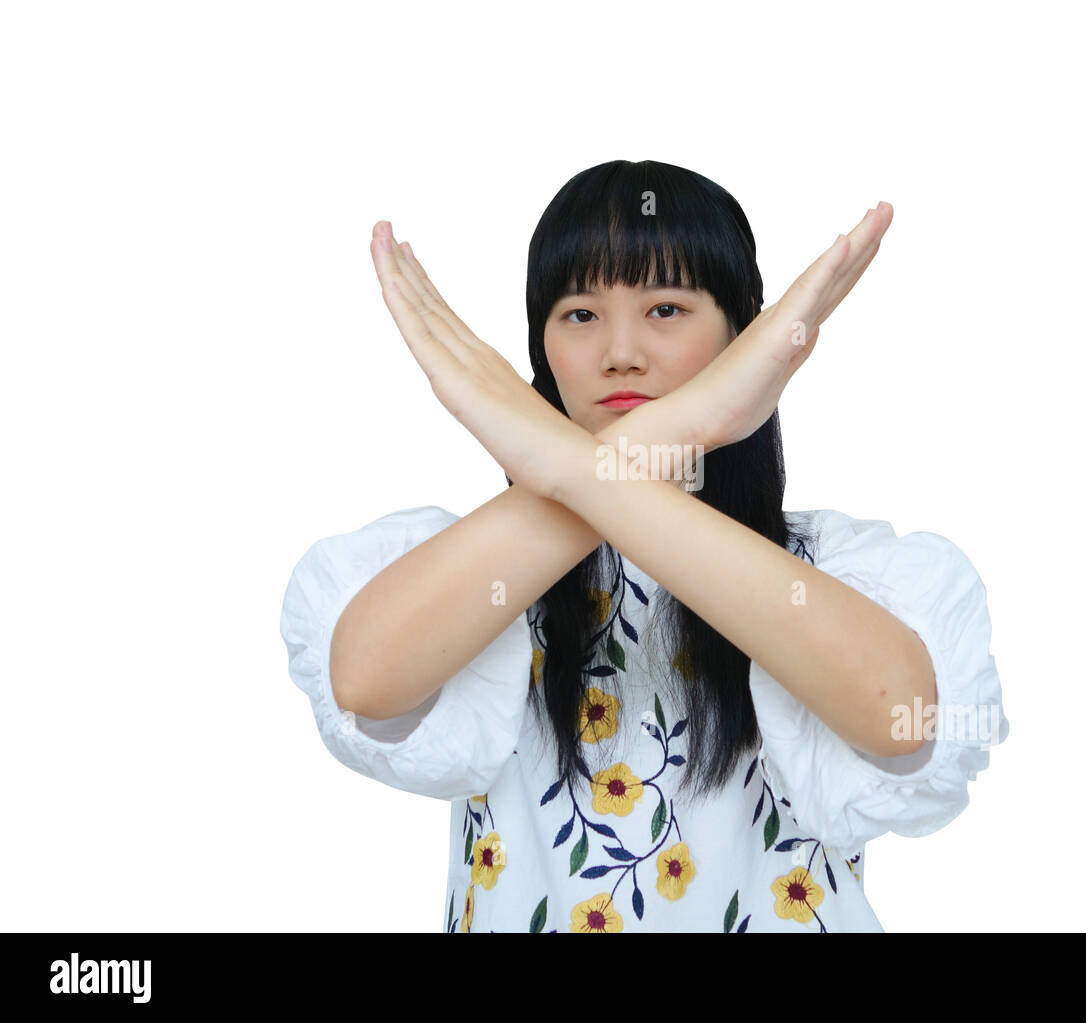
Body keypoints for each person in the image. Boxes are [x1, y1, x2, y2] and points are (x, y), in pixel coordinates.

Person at [278, 160, 1010, 932]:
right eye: (579, 314)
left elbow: (905, 720)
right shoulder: (480, 570)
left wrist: (582, 464)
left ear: (743, 336)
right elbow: (363, 679)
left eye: (665, 308)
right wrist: (682, 427)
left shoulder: (828, 569)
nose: (620, 352)